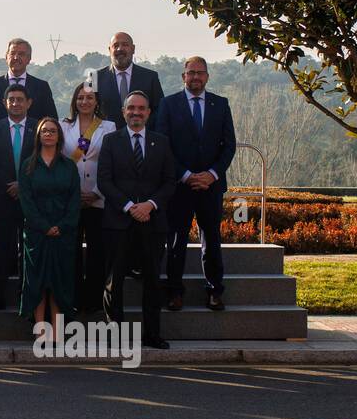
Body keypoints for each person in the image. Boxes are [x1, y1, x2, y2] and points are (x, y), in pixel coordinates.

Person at [154, 57, 237, 312]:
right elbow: (163, 145)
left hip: (211, 186)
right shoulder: (168, 104)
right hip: (180, 186)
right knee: (176, 240)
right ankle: (175, 292)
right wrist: (187, 175)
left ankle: (214, 291)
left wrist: (211, 174)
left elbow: (229, 145)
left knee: (211, 239)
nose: (195, 77)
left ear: (208, 77)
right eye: (191, 73)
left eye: (200, 73)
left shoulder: (220, 104)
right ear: (183, 76)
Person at [96, 91, 177, 349]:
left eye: (141, 108)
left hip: (152, 223)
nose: (136, 113)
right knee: (113, 281)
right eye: (131, 108)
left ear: (149, 112)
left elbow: (169, 181)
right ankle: (114, 335)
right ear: (123, 112)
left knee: (153, 281)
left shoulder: (161, 142)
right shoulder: (110, 141)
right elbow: (104, 181)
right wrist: (130, 206)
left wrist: (149, 206)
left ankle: (152, 334)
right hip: (118, 222)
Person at [17, 117, 81, 328]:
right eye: (44, 131)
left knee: (58, 283)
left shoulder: (69, 166)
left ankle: (56, 328)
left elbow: (74, 200)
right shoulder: (28, 165)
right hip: (37, 234)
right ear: (38, 136)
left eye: (53, 131)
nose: (48, 134)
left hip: (64, 233)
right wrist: (44, 226)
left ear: (59, 136)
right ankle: (40, 330)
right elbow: (26, 201)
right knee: (37, 283)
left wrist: (61, 226)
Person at [60, 83, 117, 320]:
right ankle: (72, 299)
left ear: (97, 102)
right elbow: (62, 163)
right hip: (70, 200)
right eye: (80, 98)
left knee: (97, 253)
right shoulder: (63, 126)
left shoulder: (108, 127)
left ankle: (93, 300)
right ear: (74, 101)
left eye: (89, 98)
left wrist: (96, 191)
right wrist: (74, 194)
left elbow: (112, 162)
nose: (85, 102)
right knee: (70, 252)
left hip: (99, 198)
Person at [0, 84, 38, 312]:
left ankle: (27, 296)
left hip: (31, 200)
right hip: (2, 199)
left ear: (28, 102)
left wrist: (22, 186)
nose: (15, 103)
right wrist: (5, 187)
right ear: (5, 103)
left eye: (20, 99)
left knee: (28, 249)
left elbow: (43, 164)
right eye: (11, 100)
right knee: (1, 249)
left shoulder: (39, 129)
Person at [0, 38, 58, 128]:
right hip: (1, 140)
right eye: (12, 53)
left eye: (21, 54)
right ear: (6, 57)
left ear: (29, 59)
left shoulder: (41, 87)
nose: (16, 57)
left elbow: (51, 120)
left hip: (32, 140)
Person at [95, 31, 165, 127]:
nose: (120, 49)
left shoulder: (150, 77)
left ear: (133, 49)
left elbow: (159, 111)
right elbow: (88, 110)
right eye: (115, 45)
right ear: (109, 50)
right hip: (106, 138)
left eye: (125, 45)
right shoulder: (95, 78)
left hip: (141, 138)